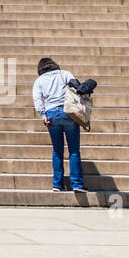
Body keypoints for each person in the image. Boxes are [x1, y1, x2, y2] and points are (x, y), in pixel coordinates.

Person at [32, 57, 88, 192]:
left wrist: (43, 116)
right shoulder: (65, 73)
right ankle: (77, 185)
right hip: (68, 113)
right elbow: (77, 86)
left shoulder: (39, 81)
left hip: (51, 114)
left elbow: (37, 99)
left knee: (57, 151)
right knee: (74, 150)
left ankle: (57, 184)